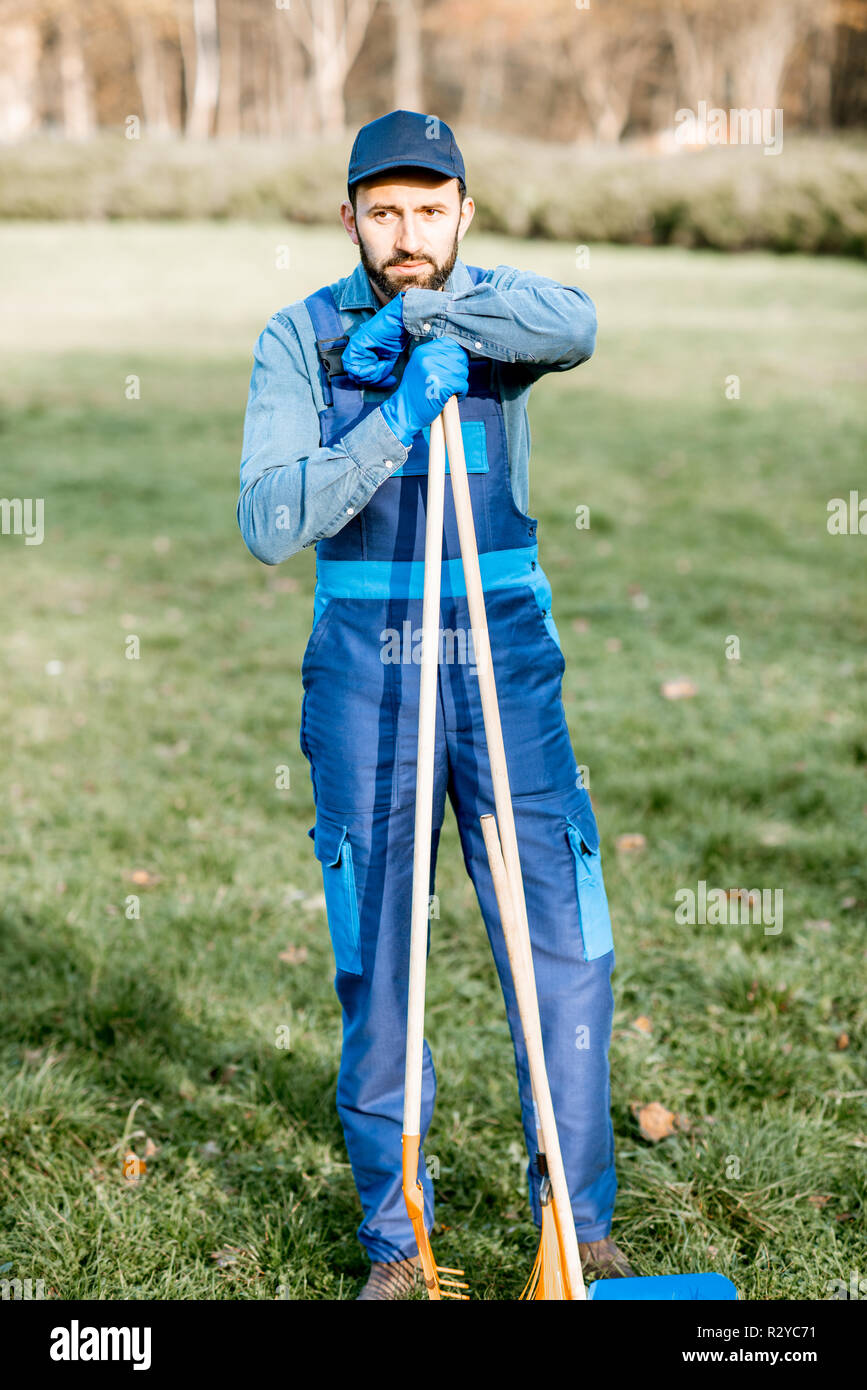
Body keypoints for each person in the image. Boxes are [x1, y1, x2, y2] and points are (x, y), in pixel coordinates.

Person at [237, 109, 635, 1300]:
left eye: (429, 209)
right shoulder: (298, 339)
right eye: (385, 211)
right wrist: (398, 415)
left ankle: (580, 1226)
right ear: (348, 215)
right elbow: (267, 520)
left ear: (463, 212)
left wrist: (431, 316)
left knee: (560, 945)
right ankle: (400, 1245)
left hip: (504, 656)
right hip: (367, 666)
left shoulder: (497, 311)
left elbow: (581, 324)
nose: (408, 233)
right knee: (382, 960)